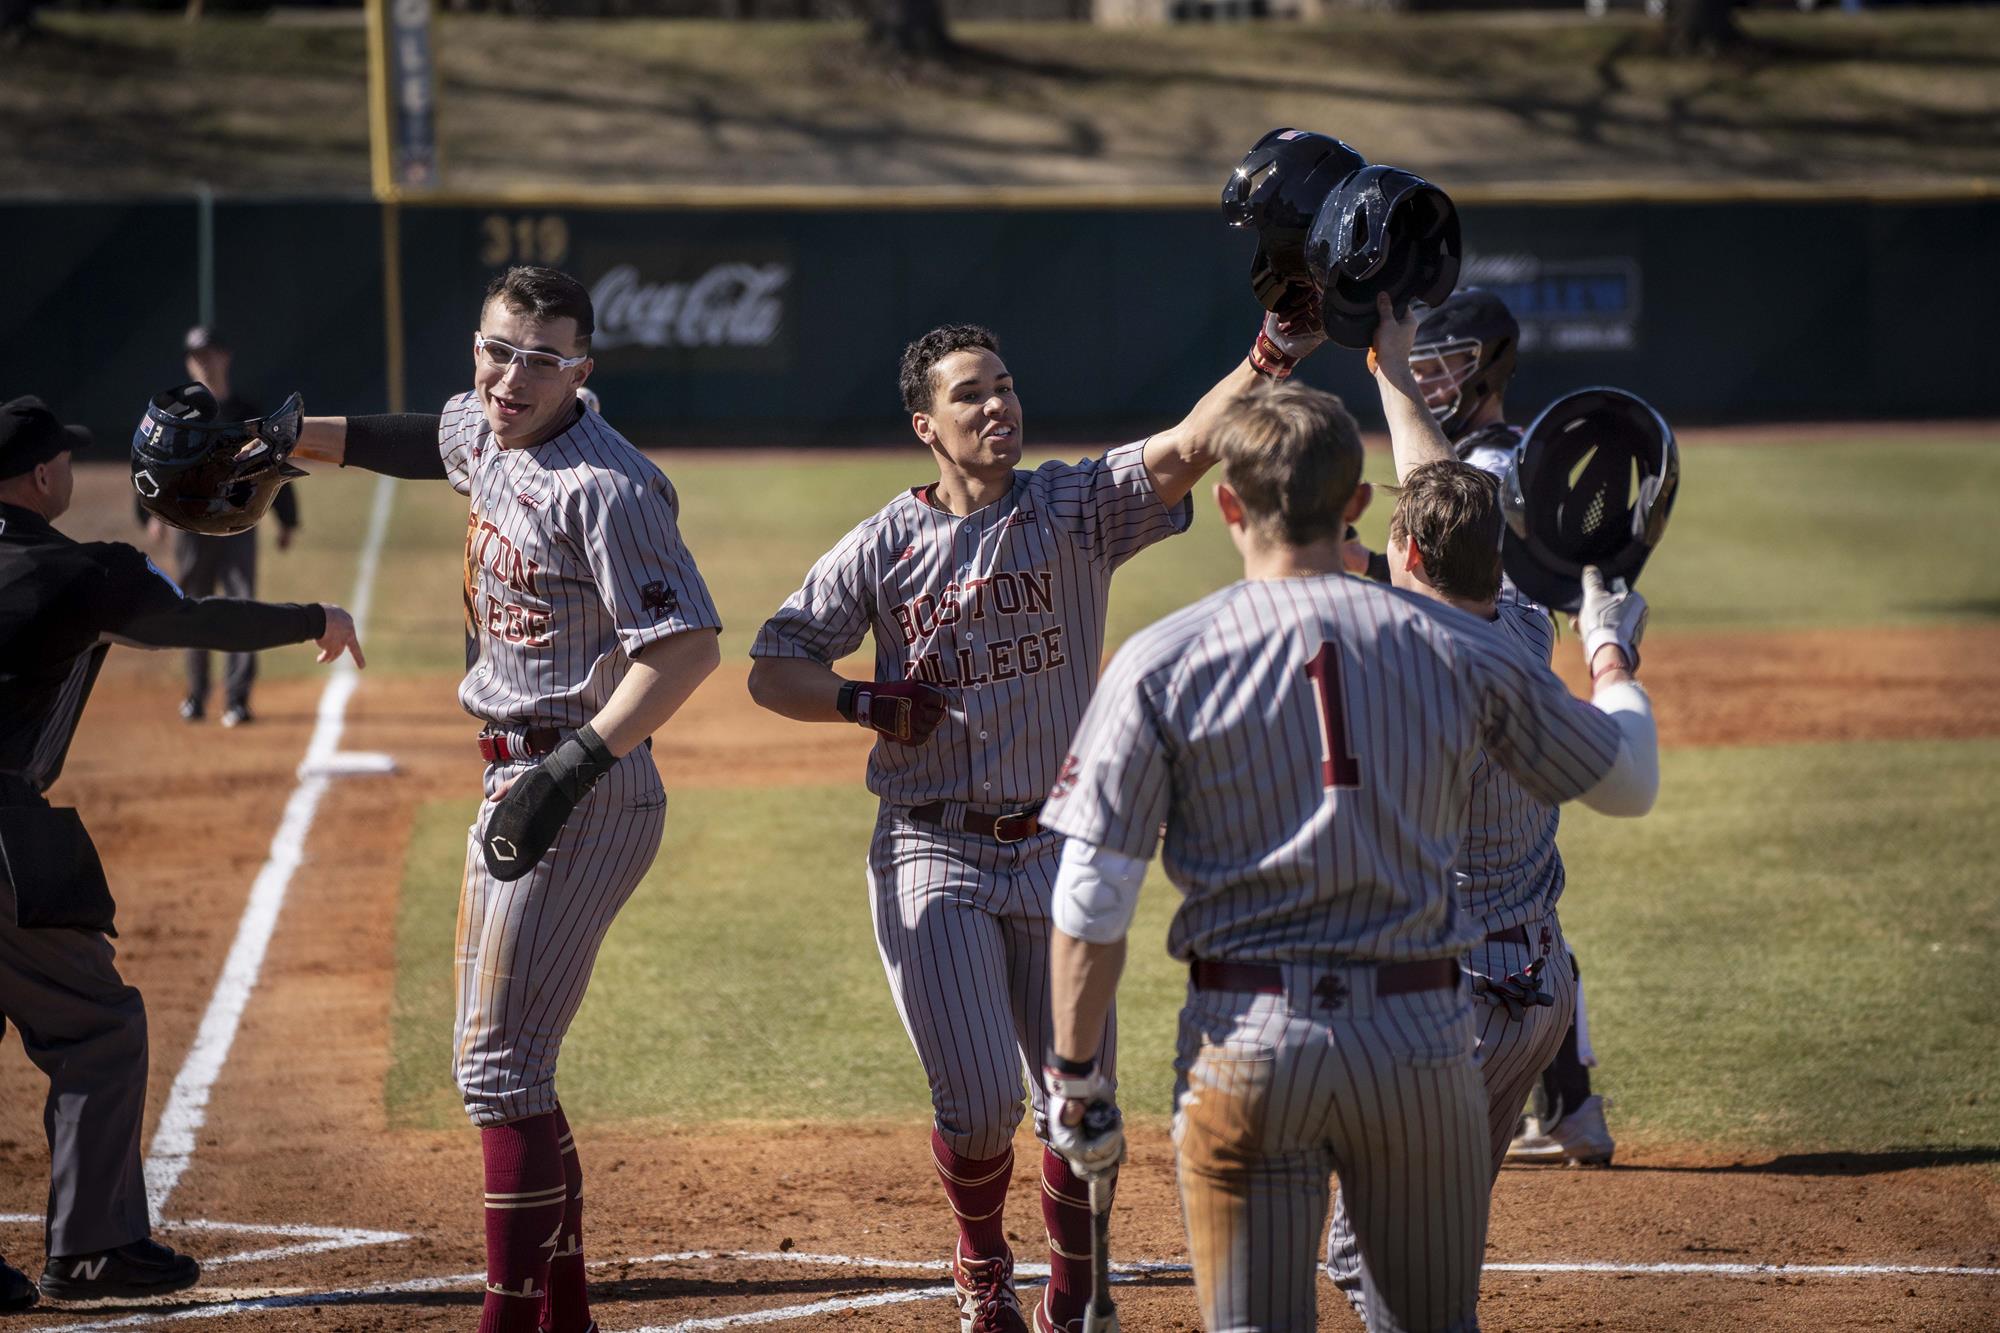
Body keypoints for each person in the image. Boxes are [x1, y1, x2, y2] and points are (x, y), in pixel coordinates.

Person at [1035, 296, 1660, 1333]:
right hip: (1418, 1040)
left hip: (1245, 1043)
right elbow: (1627, 782)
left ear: (1230, 509)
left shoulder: (1158, 661)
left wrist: (1071, 1081)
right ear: (1358, 503)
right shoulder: (1459, 647)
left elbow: (1091, 894)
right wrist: (1612, 654)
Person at [745, 296, 1324, 1332]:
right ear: (926, 424)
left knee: (1077, 1105)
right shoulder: (883, 544)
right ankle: (979, 1263)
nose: (996, 405)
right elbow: (772, 665)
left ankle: (1064, 1293)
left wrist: (1270, 352)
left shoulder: (1073, 506)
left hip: (1057, 849)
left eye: (1003, 386)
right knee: (976, 1108)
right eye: (969, 395)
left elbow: (1192, 446)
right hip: (933, 846)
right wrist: (861, 701)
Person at [283, 265, 722, 1333]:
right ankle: (563, 1317)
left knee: (494, 1067)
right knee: (511, 1065)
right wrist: (285, 432)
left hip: (580, 787)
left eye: (538, 358)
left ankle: (509, 1317)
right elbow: (409, 439)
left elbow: (688, 651)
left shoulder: (605, 487)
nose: (509, 376)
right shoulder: (486, 430)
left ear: (581, 368)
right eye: (495, 348)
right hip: (513, 776)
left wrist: (569, 772)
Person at [0, 395, 363, 1308]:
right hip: (2, 836)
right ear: (46, 477)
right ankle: (92, 1249)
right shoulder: (83, 572)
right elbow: (195, 621)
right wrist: (312, 616)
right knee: (95, 1029)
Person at [1406, 288, 1616, 1166]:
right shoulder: (1497, 456)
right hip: (1512, 660)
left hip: (1486, 668)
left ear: (1489, 364)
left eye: (1446, 366)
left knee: (1485, 879)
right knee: (1521, 885)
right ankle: (1571, 1100)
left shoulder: (1489, 464)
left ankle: (1568, 1100)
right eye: (1420, 370)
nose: (1432, 383)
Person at [141, 326, 302, 728]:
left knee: (241, 605)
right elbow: (154, 461)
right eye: (197, 356)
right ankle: (196, 695)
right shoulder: (181, 414)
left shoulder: (246, 412)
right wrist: (149, 514)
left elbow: (270, 463)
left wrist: (287, 520)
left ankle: (237, 699)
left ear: (226, 357)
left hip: (238, 525)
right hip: (190, 528)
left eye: (210, 354)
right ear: (188, 361)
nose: (204, 362)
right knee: (192, 606)